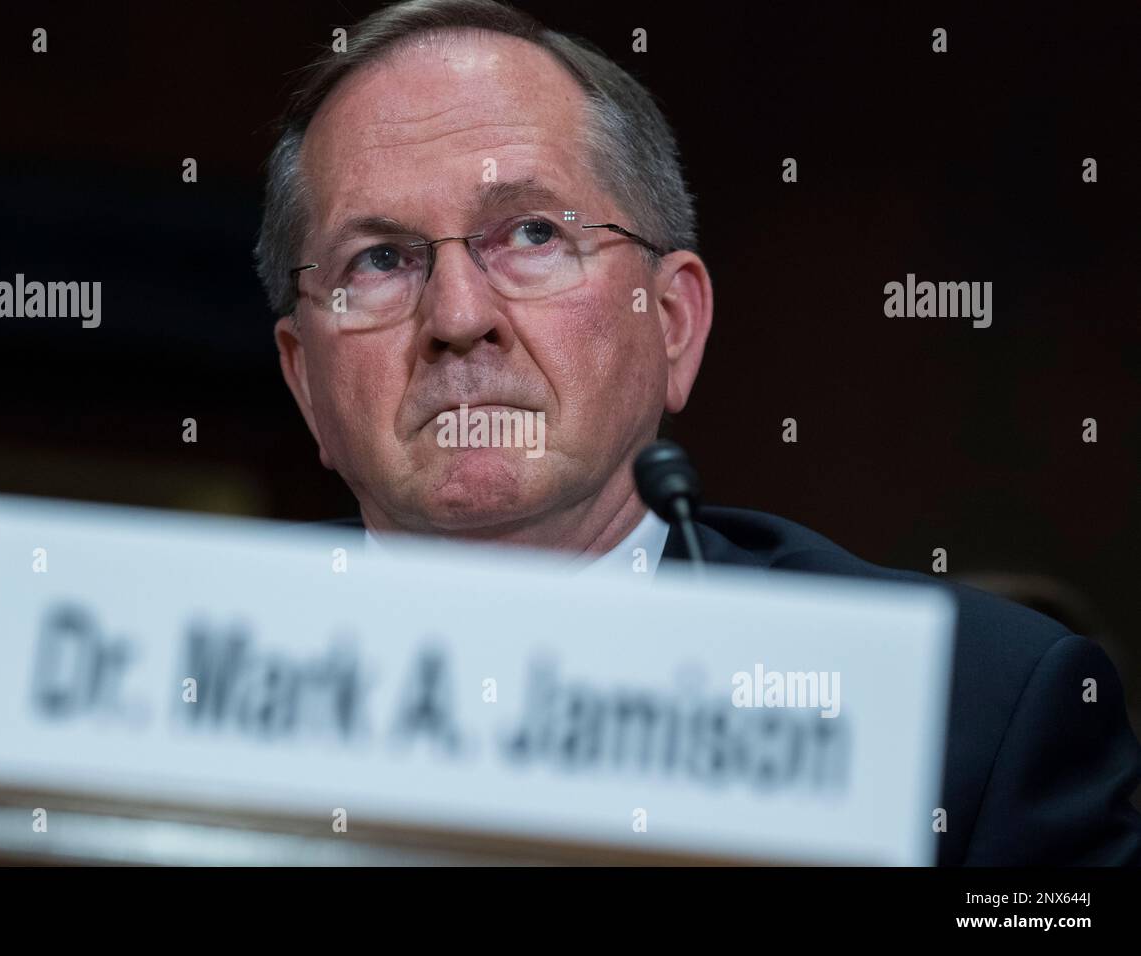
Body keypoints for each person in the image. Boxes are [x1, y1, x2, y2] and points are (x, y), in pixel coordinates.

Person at [252, 0, 1141, 865]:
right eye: (380, 260)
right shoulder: (168, 677)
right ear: (304, 380)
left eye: (531, 233)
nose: (456, 315)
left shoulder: (971, 710)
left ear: (672, 322)